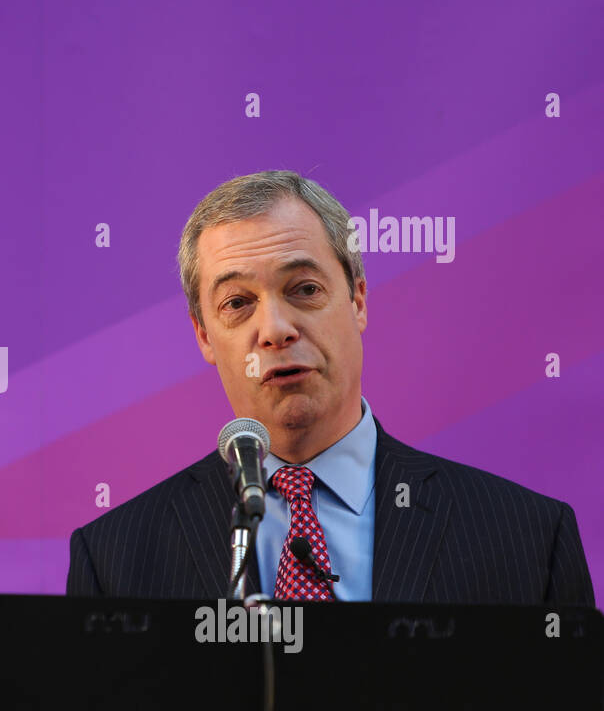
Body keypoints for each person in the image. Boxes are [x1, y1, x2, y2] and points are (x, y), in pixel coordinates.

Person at [67, 170, 594, 604]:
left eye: (304, 289)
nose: (275, 328)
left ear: (358, 301)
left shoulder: (526, 536)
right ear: (205, 336)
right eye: (237, 303)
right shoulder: (115, 559)